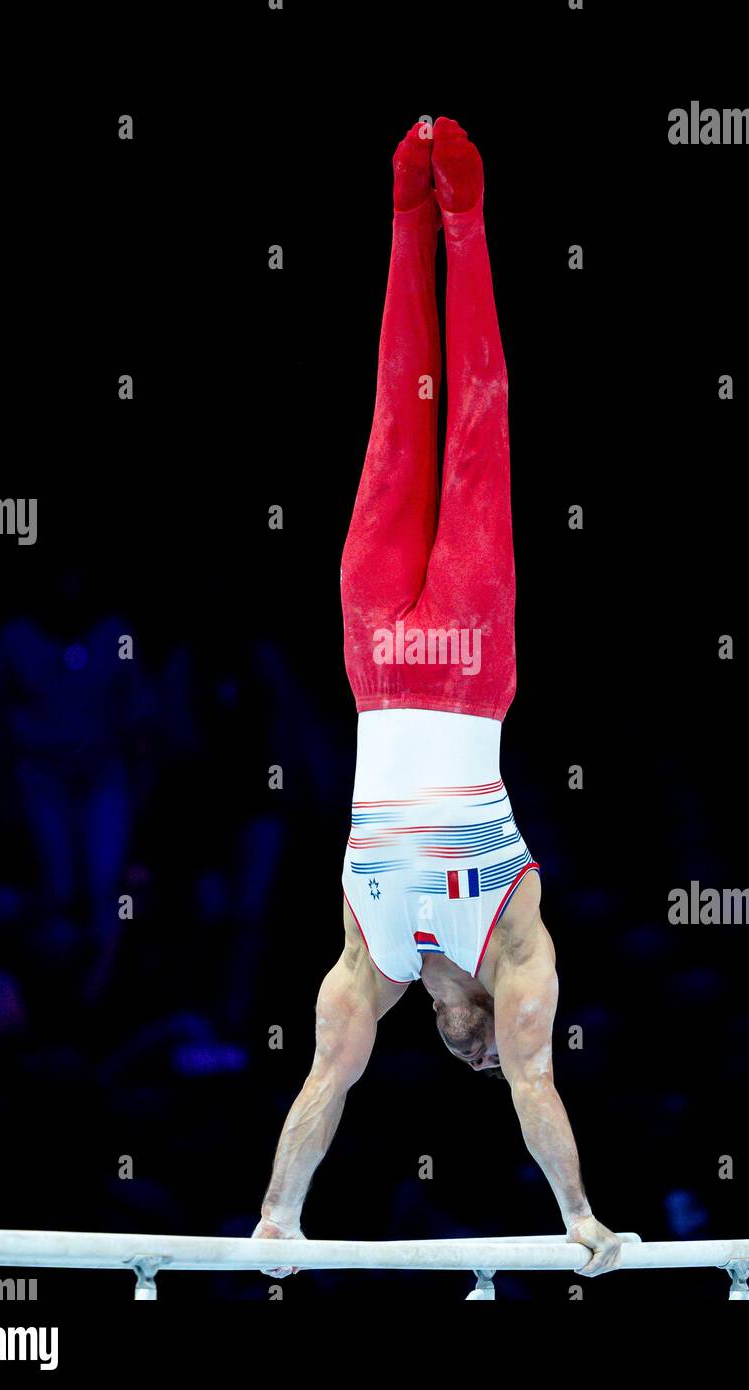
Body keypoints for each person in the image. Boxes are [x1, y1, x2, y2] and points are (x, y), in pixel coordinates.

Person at [254, 118, 622, 1279]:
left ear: (439, 1029)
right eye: (485, 1055)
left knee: (388, 418)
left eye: (464, 1052)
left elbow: (323, 1081)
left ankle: (406, 218)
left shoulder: (373, 964)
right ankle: (461, 215)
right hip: (467, 667)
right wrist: (578, 1218)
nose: (481, 1052)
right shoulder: (516, 946)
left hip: (373, 659)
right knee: (471, 424)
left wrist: (275, 1222)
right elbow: (535, 1082)